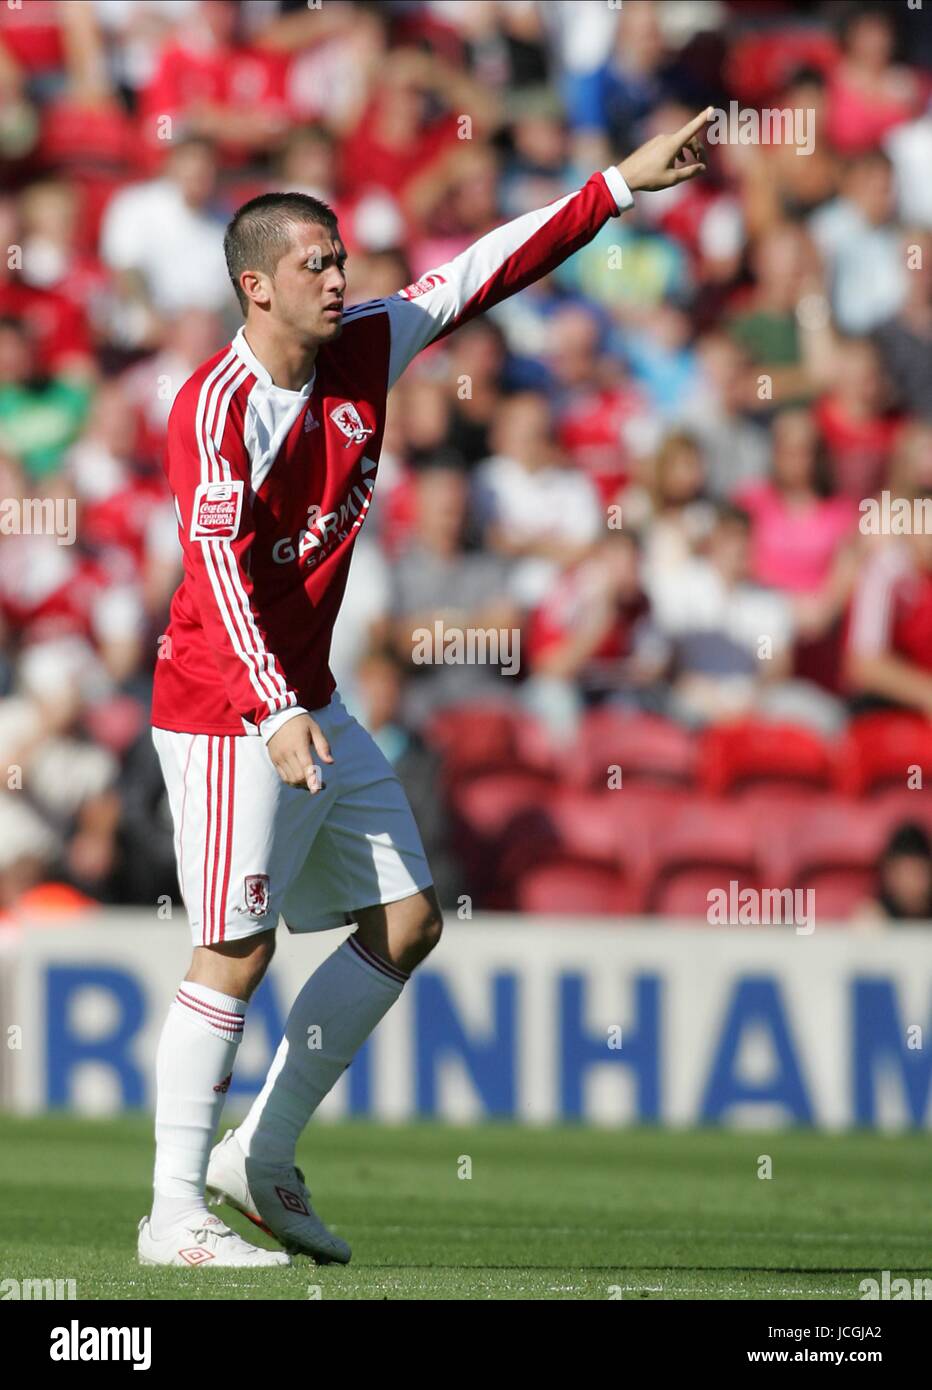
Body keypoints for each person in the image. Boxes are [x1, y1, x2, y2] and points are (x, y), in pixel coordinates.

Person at [140, 108, 714, 1269]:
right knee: (233, 950)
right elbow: (217, 569)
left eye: (341, 256)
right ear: (256, 286)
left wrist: (615, 184)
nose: (341, 275)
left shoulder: (365, 347)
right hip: (224, 709)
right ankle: (170, 1216)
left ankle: (259, 1154)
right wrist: (275, 708)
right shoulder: (213, 410)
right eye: (316, 263)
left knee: (408, 920)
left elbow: (479, 273)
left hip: (306, 695)